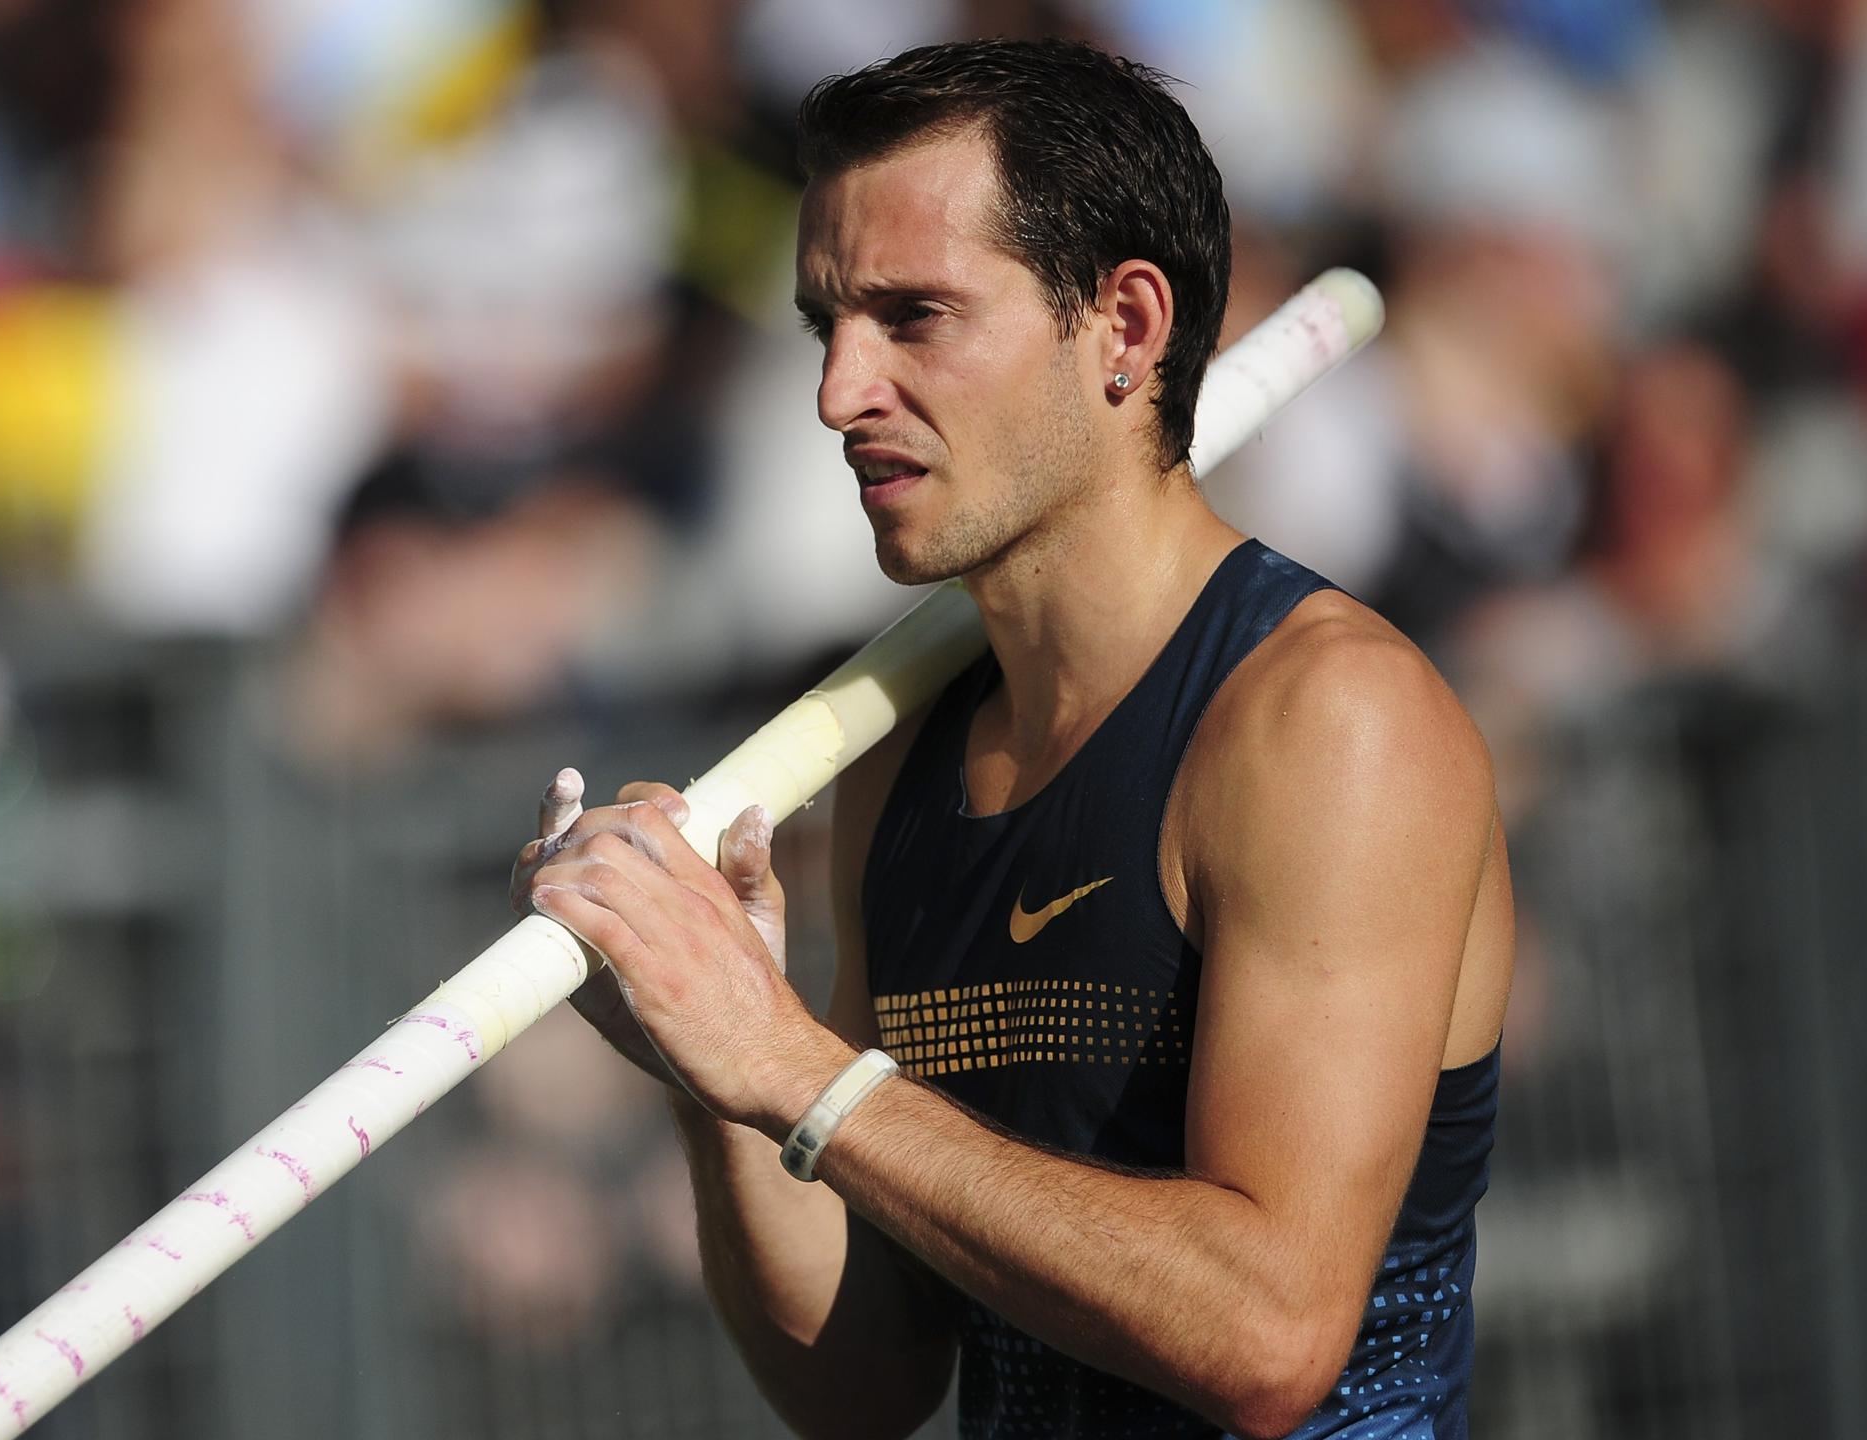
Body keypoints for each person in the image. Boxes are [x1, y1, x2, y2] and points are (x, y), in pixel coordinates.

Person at [510, 38, 1512, 1440]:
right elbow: (867, 1386)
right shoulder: (898, 760)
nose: (840, 392)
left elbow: (1268, 1335)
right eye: (827, 326)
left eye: (915, 315)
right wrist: (710, 1059)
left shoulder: (1324, 720)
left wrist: (790, 1063)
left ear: (1127, 328)